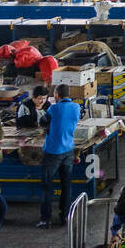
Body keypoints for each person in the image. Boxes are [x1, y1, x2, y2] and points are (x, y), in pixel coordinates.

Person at [38, 83, 80, 230]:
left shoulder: (53, 108)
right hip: (68, 150)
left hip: (53, 152)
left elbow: (43, 121)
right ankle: (65, 216)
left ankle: (45, 219)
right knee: (66, 185)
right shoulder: (76, 107)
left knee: (46, 186)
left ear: (56, 95)